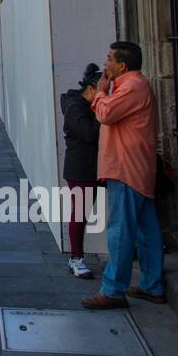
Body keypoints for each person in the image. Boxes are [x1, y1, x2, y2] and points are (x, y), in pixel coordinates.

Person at [83, 42, 165, 309]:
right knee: (147, 230)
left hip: (126, 168)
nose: (105, 64)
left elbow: (105, 114)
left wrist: (99, 94)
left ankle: (113, 290)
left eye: (109, 59)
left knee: (120, 231)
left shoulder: (132, 86)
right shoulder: (131, 85)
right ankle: (152, 285)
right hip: (133, 167)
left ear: (122, 64)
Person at [61, 63, 102, 279]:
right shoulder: (75, 107)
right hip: (82, 167)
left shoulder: (87, 105)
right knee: (80, 214)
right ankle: (76, 257)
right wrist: (102, 110)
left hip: (101, 165)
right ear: (91, 90)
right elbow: (89, 133)